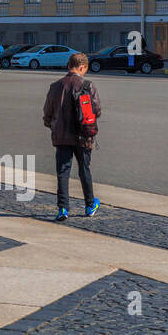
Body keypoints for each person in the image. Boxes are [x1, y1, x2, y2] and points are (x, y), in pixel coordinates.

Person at [42, 52, 102, 222]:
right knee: (84, 169)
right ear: (82, 67)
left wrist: (52, 125)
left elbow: (48, 112)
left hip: (61, 136)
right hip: (84, 135)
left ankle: (63, 208)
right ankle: (90, 205)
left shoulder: (55, 86)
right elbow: (96, 110)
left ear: (69, 66)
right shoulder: (88, 85)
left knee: (63, 171)